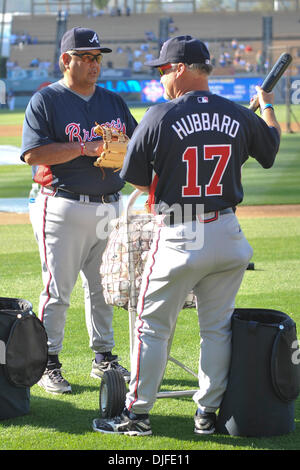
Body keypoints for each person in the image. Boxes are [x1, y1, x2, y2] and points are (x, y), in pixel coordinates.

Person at [92, 35, 281, 436]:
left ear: (180, 68)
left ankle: (137, 415)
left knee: (152, 327)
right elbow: (271, 148)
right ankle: (206, 415)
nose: (161, 78)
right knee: (218, 329)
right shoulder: (237, 114)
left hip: (180, 233)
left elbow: (140, 181)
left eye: (163, 70)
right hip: (229, 233)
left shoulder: (160, 114)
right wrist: (264, 104)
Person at [20, 27, 137, 394]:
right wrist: (84, 148)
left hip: (109, 205)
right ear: (65, 60)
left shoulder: (113, 101)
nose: (93, 64)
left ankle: (103, 357)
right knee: (58, 291)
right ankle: (48, 362)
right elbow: (34, 154)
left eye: (97, 58)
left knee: (103, 288)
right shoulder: (47, 100)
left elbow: (135, 145)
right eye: (85, 57)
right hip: (62, 204)